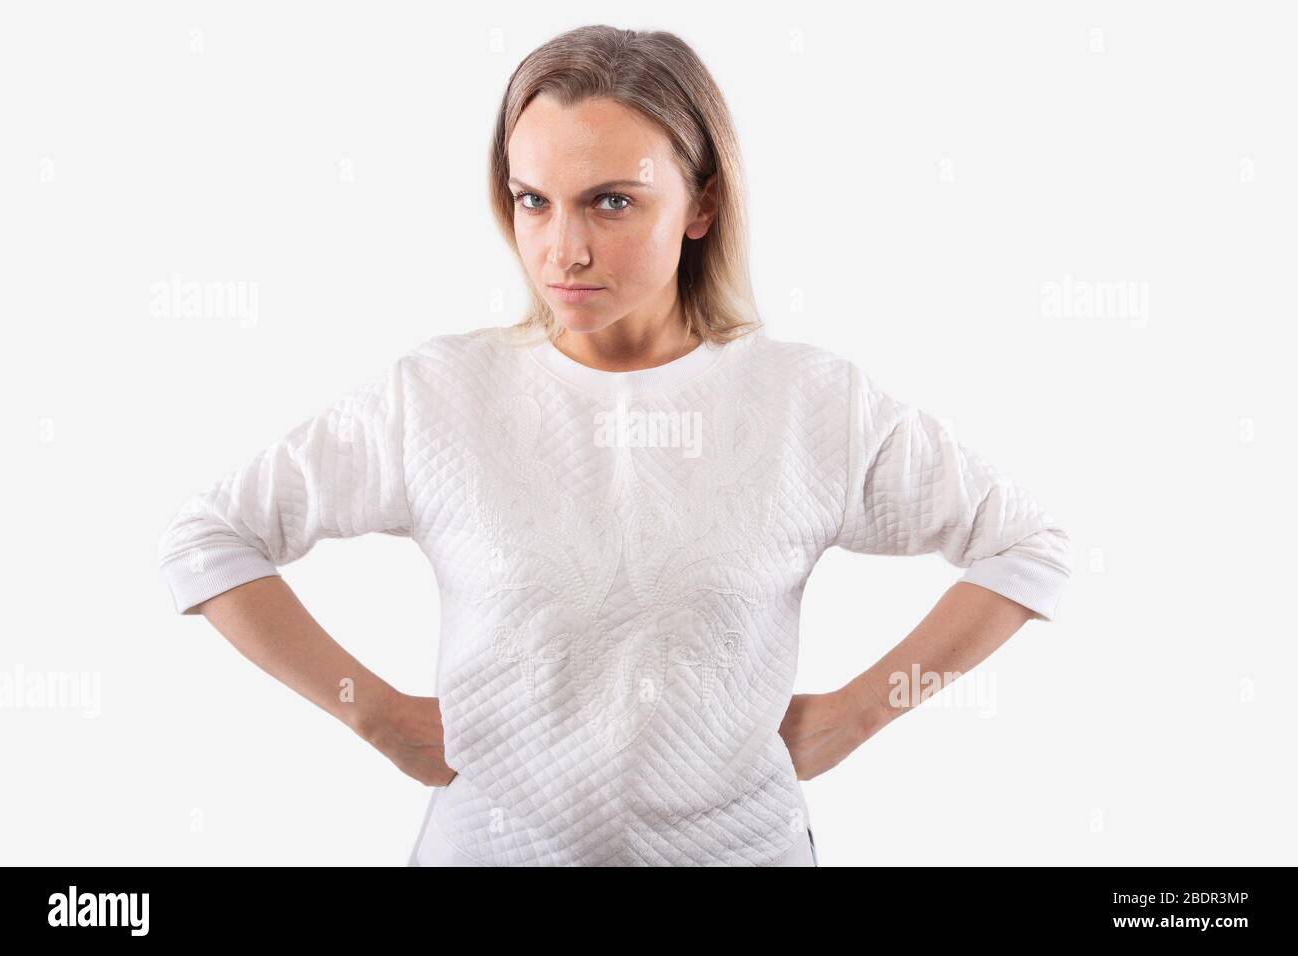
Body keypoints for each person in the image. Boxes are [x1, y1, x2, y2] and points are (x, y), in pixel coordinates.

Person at [157, 25, 1071, 867]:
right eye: (533, 201)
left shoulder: (807, 404)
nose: (563, 249)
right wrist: (377, 717)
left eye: (611, 202)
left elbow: (1026, 546)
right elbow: (210, 539)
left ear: (701, 204)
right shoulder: (437, 398)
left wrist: (859, 716)